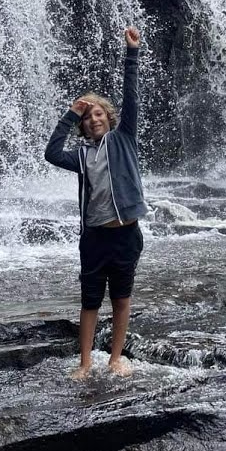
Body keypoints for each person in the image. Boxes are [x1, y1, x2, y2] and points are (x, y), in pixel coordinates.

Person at [44, 26, 147, 379]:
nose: (94, 119)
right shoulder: (81, 156)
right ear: (84, 127)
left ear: (110, 118)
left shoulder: (125, 139)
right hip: (94, 238)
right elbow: (51, 153)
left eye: (99, 113)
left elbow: (131, 96)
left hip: (126, 235)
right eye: (88, 118)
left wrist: (131, 53)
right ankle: (85, 363)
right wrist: (71, 114)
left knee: (121, 299)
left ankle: (115, 358)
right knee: (90, 301)